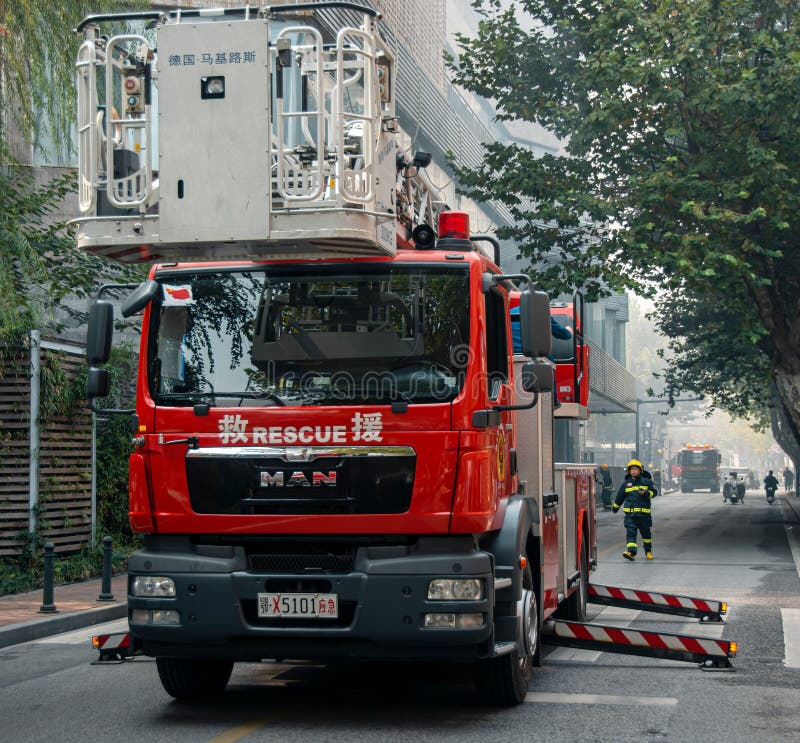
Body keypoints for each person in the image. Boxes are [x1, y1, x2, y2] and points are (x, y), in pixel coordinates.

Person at [612, 459, 657, 560]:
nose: (634, 471)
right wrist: (615, 507)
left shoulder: (647, 482)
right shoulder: (626, 483)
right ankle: (631, 552)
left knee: (646, 535)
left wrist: (645, 493)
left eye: (636, 469)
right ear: (629, 471)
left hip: (643, 515)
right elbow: (620, 496)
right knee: (630, 533)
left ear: (640, 470)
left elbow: (654, 493)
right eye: (632, 469)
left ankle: (648, 551)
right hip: (630, 516)